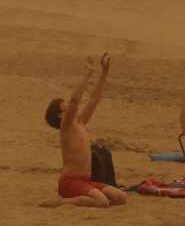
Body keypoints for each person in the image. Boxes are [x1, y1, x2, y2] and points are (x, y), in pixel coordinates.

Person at [41, 54, 128, 208]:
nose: (69, 106)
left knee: (121, 197)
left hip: (86, 181)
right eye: (65, 105)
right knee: (102, 202)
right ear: (60, 115)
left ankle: (83, 198)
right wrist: (88, 74)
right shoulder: (66, 127)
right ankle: (62, 202)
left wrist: (104, 72)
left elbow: (94, 99)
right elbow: (75, 100)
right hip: (70, 183)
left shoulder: (79, 123)